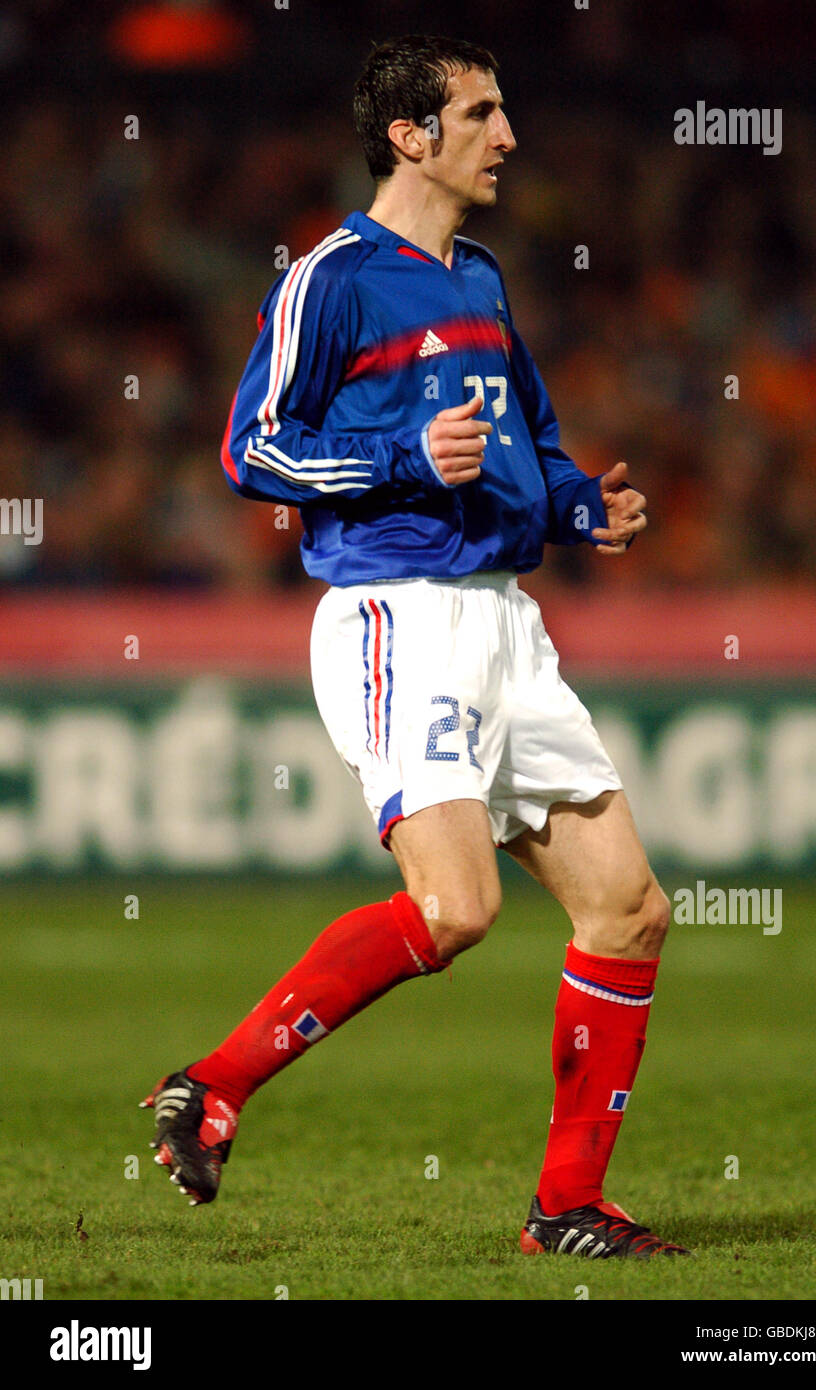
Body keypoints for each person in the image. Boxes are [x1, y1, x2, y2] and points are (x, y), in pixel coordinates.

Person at [141, 33, 688, 1260]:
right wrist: (395, 458)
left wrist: (573, 503)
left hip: (504, 617)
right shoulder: (331, 278)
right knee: (454, 909)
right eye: (483, 114)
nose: (507, 137)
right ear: (409, 135)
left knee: (628, 909)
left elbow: (528, 438)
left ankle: (565, 1210)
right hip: (399, 613)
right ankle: (213, 1084)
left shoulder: (481, 278)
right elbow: (250, 450)